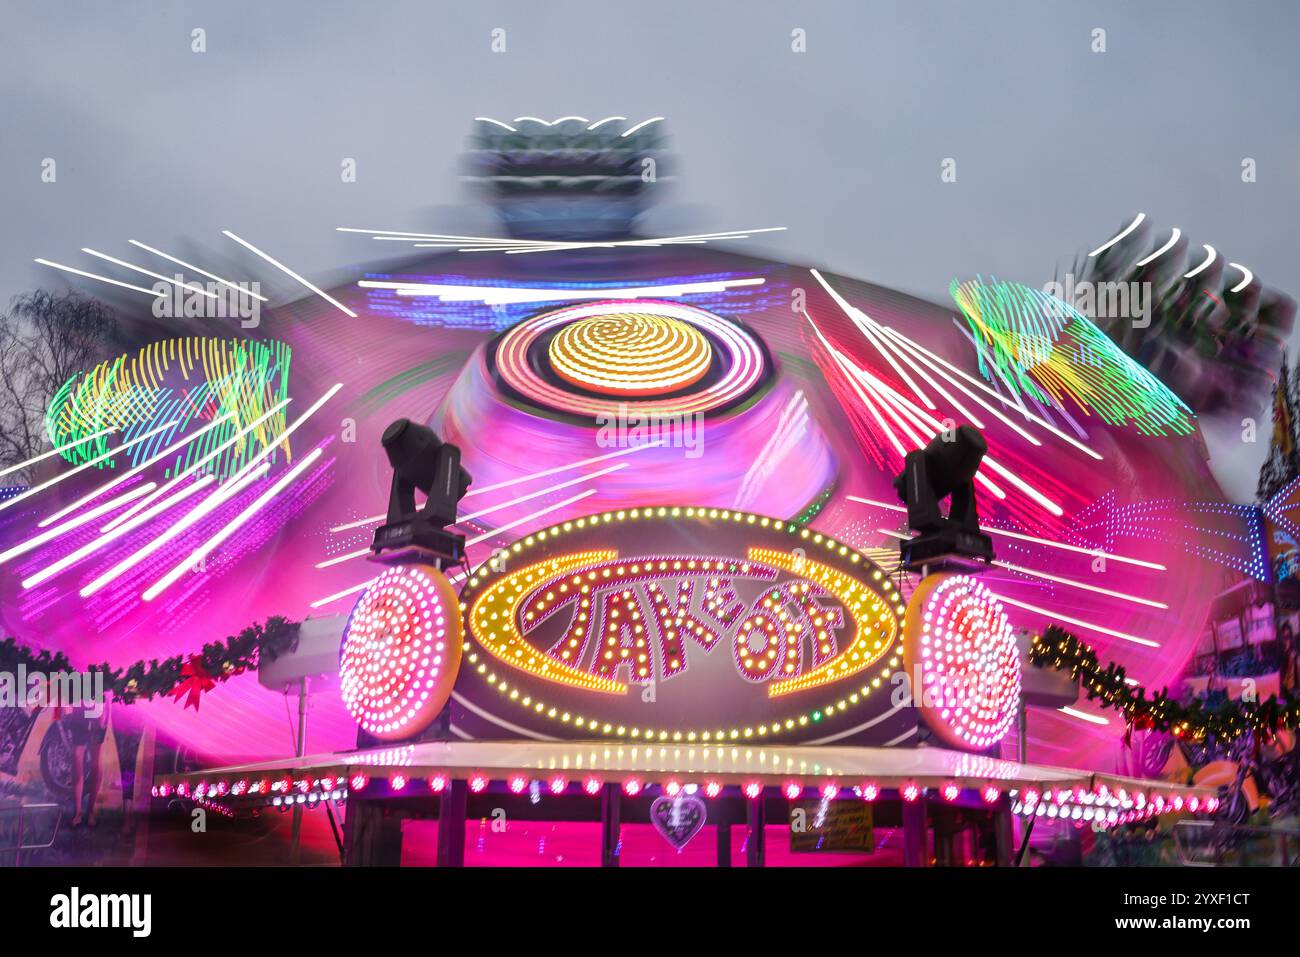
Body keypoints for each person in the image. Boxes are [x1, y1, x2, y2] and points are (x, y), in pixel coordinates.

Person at [61, 700, 109, 828]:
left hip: (99, 705)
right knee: (77, 756)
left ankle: (91, 810)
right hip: (80, 707)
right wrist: (65, 705)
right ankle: (77, 812)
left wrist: (104, 709)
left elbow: (110, 683)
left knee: (96, 760)